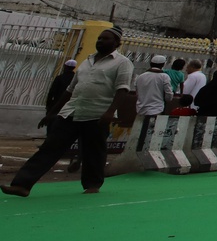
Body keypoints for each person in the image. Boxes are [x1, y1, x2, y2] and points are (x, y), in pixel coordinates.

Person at [6, 27, 135, 197]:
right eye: (99, 38)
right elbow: (70, 89)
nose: (100, 41)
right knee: (50, 148)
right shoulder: (87, 61)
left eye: (105, 39)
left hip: (98, 114)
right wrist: (53, 112)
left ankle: (92, 184)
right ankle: (22, 185)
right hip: (72, 112)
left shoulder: (122, 62)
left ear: (117, 43)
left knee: (94, 152)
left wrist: (110, 112)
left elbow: (122, 89)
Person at [39, 60, 77, 128]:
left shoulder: (59, 78)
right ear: (74, 67)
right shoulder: (75, 79)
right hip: (69, 107)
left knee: (51, 126)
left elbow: (51, 92)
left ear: (65, 66)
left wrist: (48, 105)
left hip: (56, 105)